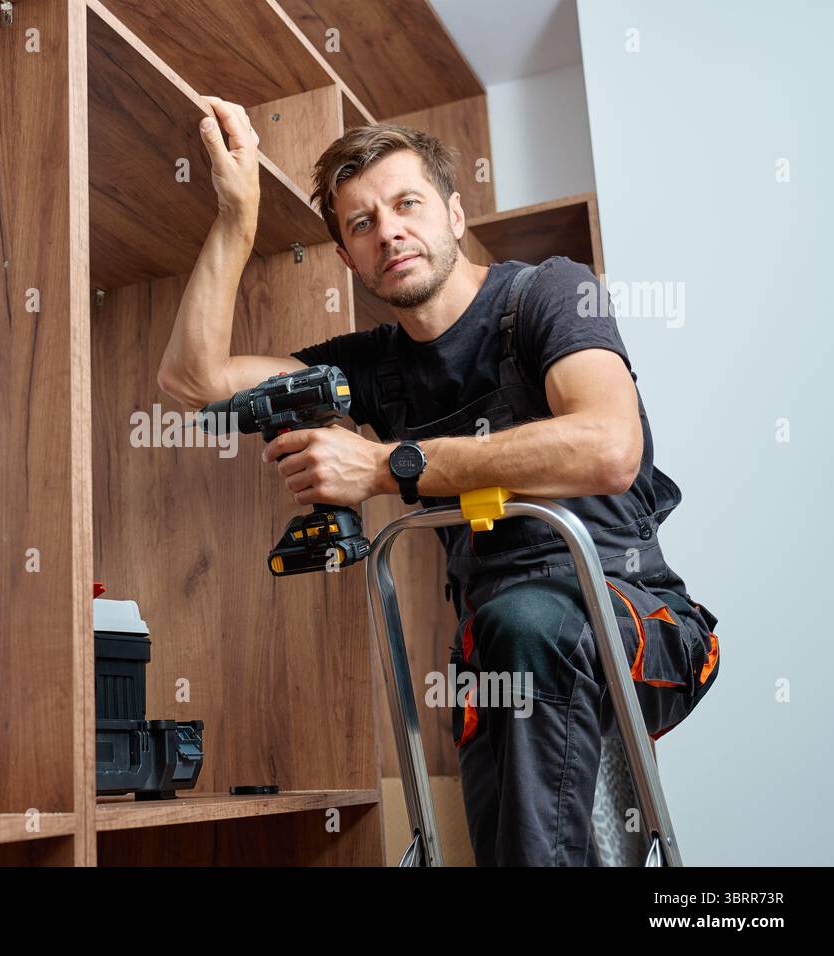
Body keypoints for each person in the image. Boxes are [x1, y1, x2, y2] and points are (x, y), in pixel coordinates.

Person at [157, 96, 721, 866]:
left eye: (406, 204)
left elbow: (609, 446)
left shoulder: (547, 295)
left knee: (530, 626)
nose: (388, 230)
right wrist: (236, 215)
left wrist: (389, 465)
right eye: (360, 224)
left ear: (454, 214)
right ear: (350, 261)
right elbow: (193, 382)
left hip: (636, 622)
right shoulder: (372, 368)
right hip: (495, 653)